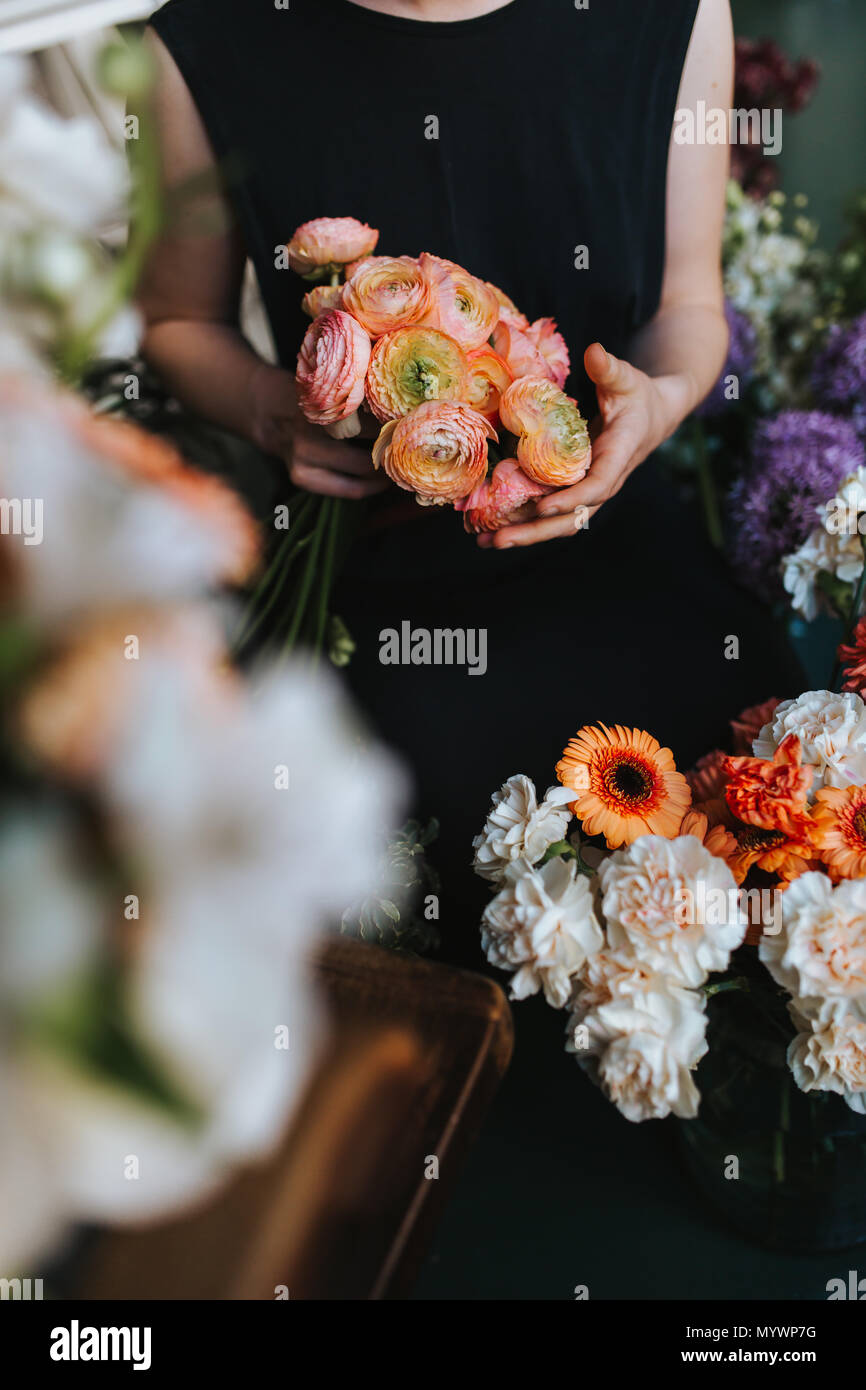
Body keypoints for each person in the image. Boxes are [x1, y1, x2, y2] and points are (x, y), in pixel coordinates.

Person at [141, 0, 803, 962]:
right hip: (361, 582)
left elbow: (688, 306)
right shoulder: (204, 41)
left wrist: (651, 406)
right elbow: (174, 321)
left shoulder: (674, 15)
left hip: (614, 549)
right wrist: (263, 404)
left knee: (760, 798)